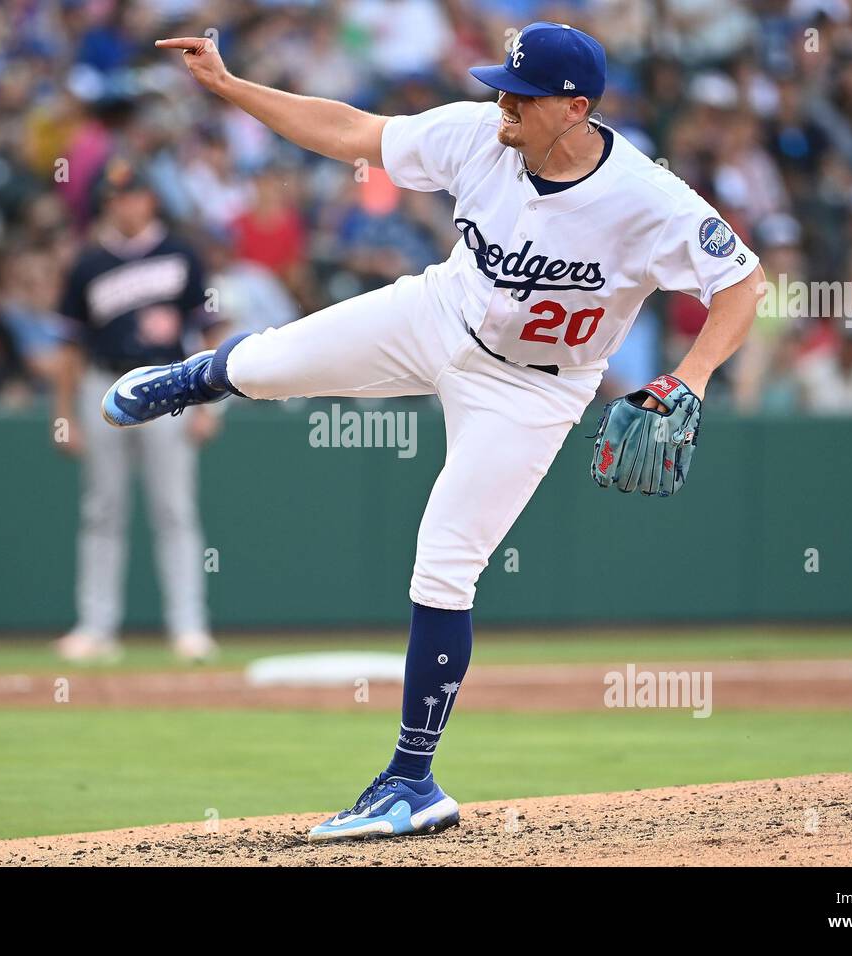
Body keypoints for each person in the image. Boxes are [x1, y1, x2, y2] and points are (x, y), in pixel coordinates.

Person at [114, 22, 763, 839]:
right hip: (440, 310)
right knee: (271, 363)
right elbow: (354, 131)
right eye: (502, 86)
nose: (503, 106)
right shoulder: (477, 133)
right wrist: (235, 88)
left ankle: (410, 783)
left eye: (521, 96)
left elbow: (742, 283)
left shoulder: (648, 199)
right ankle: (187, 379)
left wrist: (691, 376)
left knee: (445, 564)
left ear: (576, 107)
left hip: (532, 391)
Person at [53, 157, 225, 664]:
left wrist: (211, 404)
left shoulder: (181, 253)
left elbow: (211, 331)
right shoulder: (87, 262)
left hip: (167, 385)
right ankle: (95, 627)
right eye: (114, 197)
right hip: (102, 381)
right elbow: (69, 348)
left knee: (174, 509)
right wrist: (61, 414)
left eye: (132, 195)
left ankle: (189, 627)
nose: (124, 205)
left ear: (150, 198)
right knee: (102, 509)